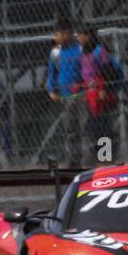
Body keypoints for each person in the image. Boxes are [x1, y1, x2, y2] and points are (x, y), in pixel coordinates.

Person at [77, 26, 121, 163]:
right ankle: (97, 156)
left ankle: (106, 157)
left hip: (101, 94)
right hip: (91, 95)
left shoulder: (98, 51)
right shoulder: (83, 52)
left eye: (81, 35)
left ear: (88, 35)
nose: (78, 38)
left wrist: (104, 90)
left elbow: (108, 71)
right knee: (92, 126)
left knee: (104, 126)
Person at [46, 16, 86, 167]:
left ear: (69, 33)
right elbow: (52, 73)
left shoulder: (80, 48)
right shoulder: (55, 53)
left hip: (84, 95)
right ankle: (74, 162)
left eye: (62, 33)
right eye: (56, 34)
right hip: (67, 97)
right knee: (71, 130)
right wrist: (51, 89)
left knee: (87, 128)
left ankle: (95, 159)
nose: (59, 37)